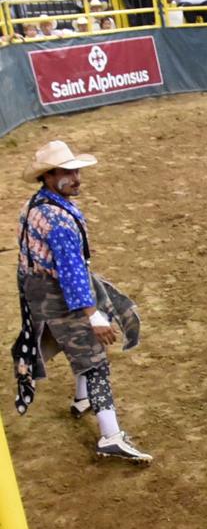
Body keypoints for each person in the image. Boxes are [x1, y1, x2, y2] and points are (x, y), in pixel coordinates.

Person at [12, 141, 151, 463]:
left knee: (78, 346)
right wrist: (93, 316)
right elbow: (71, 271)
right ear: (48, 176)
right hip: (57, 292)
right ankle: (110, 435)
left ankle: (81, 400)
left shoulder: (34, 205)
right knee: (94, 358)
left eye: (76, 171)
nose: (76, 178)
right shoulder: (59, 220)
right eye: (67, 172)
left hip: (38, 288)